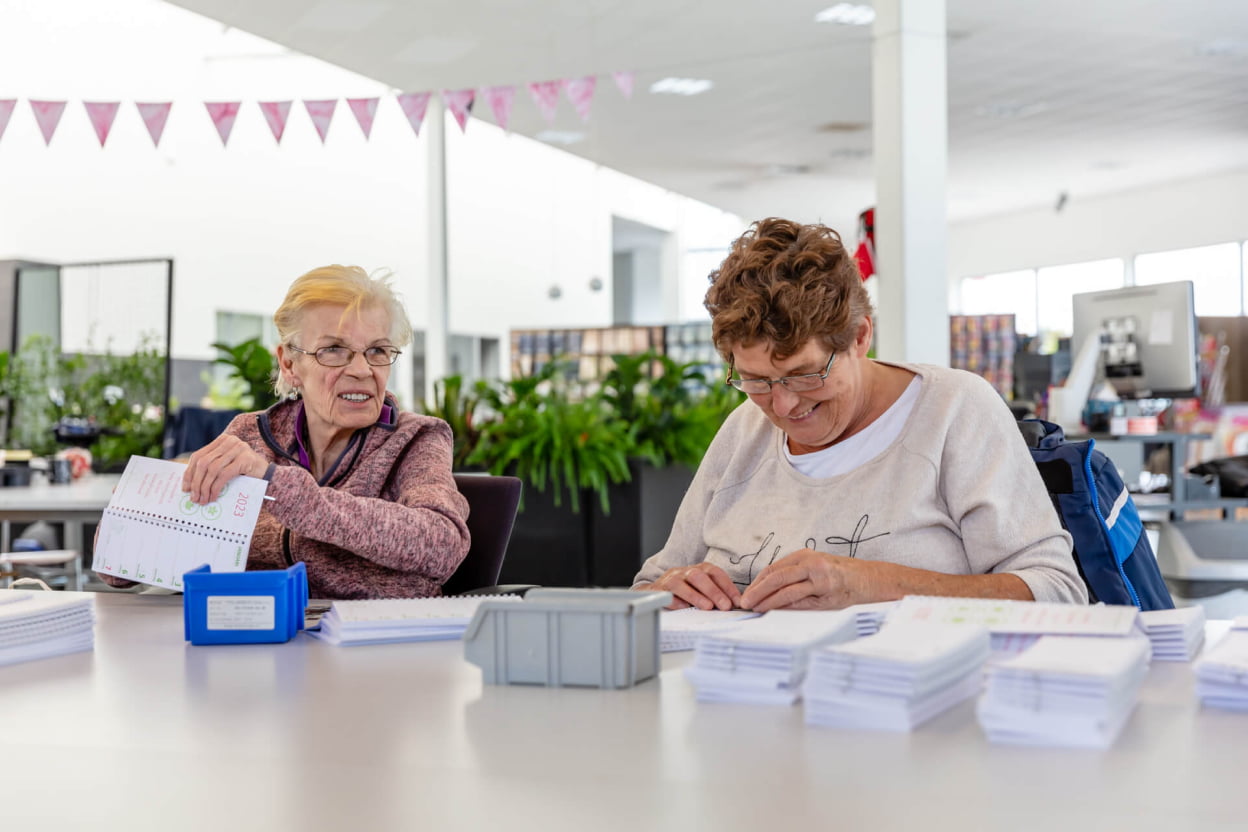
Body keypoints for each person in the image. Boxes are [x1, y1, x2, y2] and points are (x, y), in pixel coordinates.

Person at [633, 218, 1087, 612]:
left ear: (859, 337)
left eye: (805, 374)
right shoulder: (742, 433)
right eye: (756, 380)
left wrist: (874, 584)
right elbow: (650, 585)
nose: (784, 405)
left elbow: (1058, 592)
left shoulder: (954, 411)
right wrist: (666, 591)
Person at [98, 265, 470, 599]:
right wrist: (136, 516)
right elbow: (116, 570)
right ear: (290, 364)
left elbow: (442, 544)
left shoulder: (417, 438)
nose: (362, 369)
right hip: (251, 641)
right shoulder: (249, 434)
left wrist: (279, 486)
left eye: (377, 350)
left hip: (372, 652)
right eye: (334, 350)